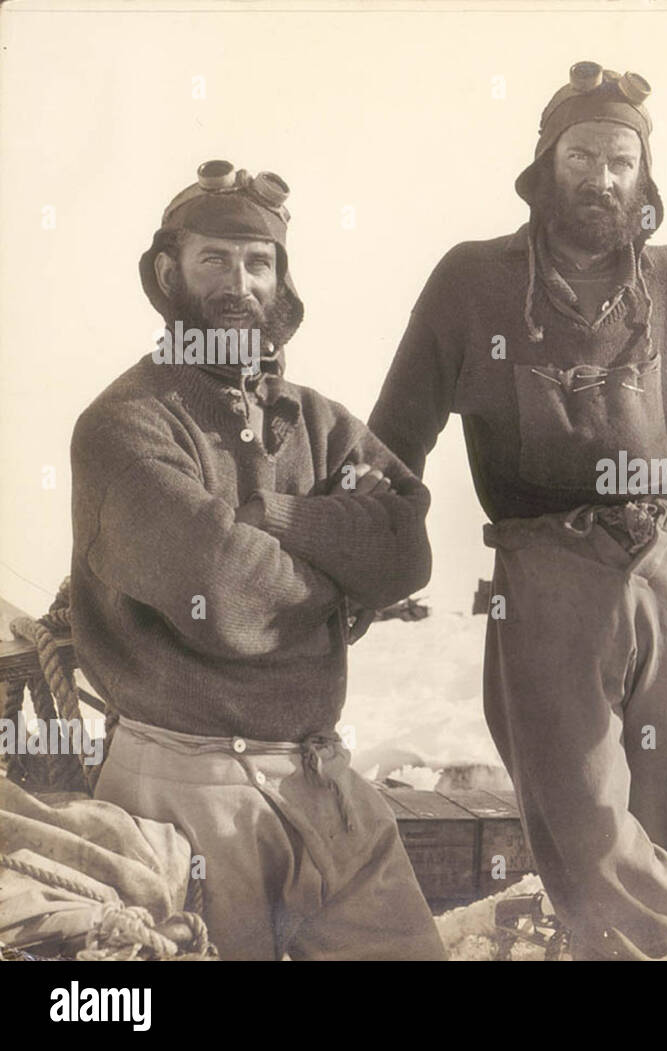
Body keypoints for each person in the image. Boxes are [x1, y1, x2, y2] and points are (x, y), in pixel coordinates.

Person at [368, 63, 667, 959]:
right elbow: (395, 436)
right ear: (544, 166)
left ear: (644, 179)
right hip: (546, 570)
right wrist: (361, 551)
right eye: (582, 155)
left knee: (665, 822)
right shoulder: (472, 282)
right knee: (584, 824)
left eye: (620, 158)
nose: (601, 177)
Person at [71, 160, 446, 960]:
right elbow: (226, 594)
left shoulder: (317, 422)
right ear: (169, 274)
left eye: (257, 262)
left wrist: (277, 515)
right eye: (214, 259)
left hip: (324, 782)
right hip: (184, 790)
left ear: (280, 282)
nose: (237, 282)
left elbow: (407, 547)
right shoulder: (123, 424)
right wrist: (345, 584)